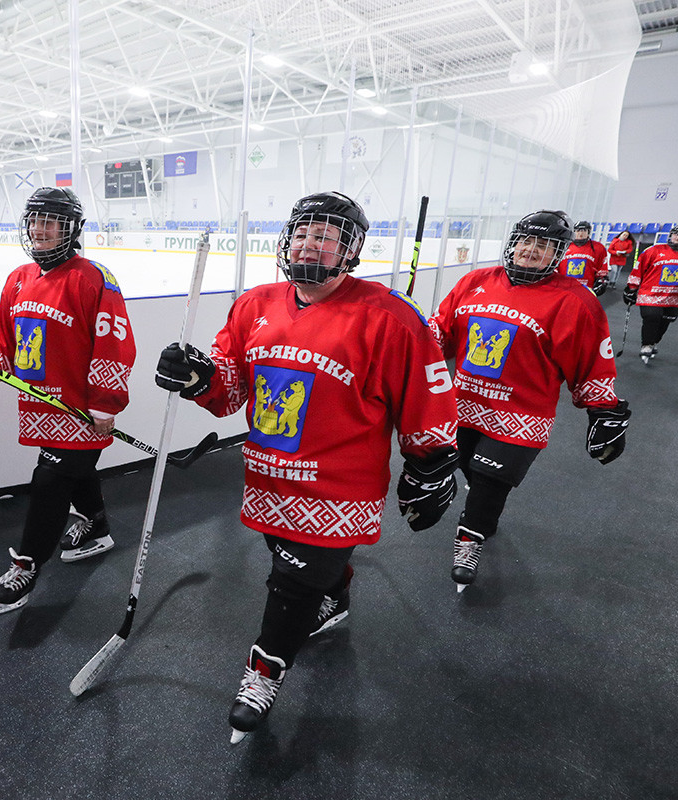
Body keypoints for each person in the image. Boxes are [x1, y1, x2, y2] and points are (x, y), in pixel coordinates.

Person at [154, 191, 460, 744]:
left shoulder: (392, 317)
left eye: (326, 236)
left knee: (291, 582)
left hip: (341, 485)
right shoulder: (255, 304)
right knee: (291, 559)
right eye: (302, 233)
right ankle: (334, 598)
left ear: (350, 251)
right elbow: (230, 388)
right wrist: (197, 375)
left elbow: (427, 396)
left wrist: (429, 463)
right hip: (269, 473)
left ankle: (264, 669)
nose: (310, 244)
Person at [0, 187, 136, 615]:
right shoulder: (19, 278)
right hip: (41, 406)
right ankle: (97, 528)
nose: (40, 229)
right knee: (75, 473)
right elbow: (2, 339)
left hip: (81, 410)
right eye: (35, 220)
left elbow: (113, 344)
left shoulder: (94, 279)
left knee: (50, 480)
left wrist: (105, 404)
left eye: (52, 221)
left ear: (72, 228)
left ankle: (26, 566)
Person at [428, 210, 631, 593]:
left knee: (491, 478)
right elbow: (443, 331)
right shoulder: (475, 282)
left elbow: (592, 360)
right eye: (526, 241)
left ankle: (469, 538)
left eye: (543, 245)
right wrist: (416, 344)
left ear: (558, 253)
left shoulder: (575, 301)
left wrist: (602, 410)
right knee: (471, 471)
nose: (531, 250)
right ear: (513, 243)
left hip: (521, 414)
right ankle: (484, 515)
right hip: (464, 405)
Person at [623, 223, 678, 365]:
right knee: (652, 317)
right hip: (650, 294)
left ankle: (653, 342)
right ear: (670, 235)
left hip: (674, 297)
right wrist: (631, 288)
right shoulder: (653, 250)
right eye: (675, 234)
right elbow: (638, 269)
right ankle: (646, 345)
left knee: (666, 321)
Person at [557, 221, 609, 296]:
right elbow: (555, 265)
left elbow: (602, 266)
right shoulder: (563, 246)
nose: (580, 233)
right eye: (578, 230)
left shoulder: (598, 248)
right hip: (564, 286)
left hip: (586, 287)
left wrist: (602, 279)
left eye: (584, 230)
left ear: (588, 232)